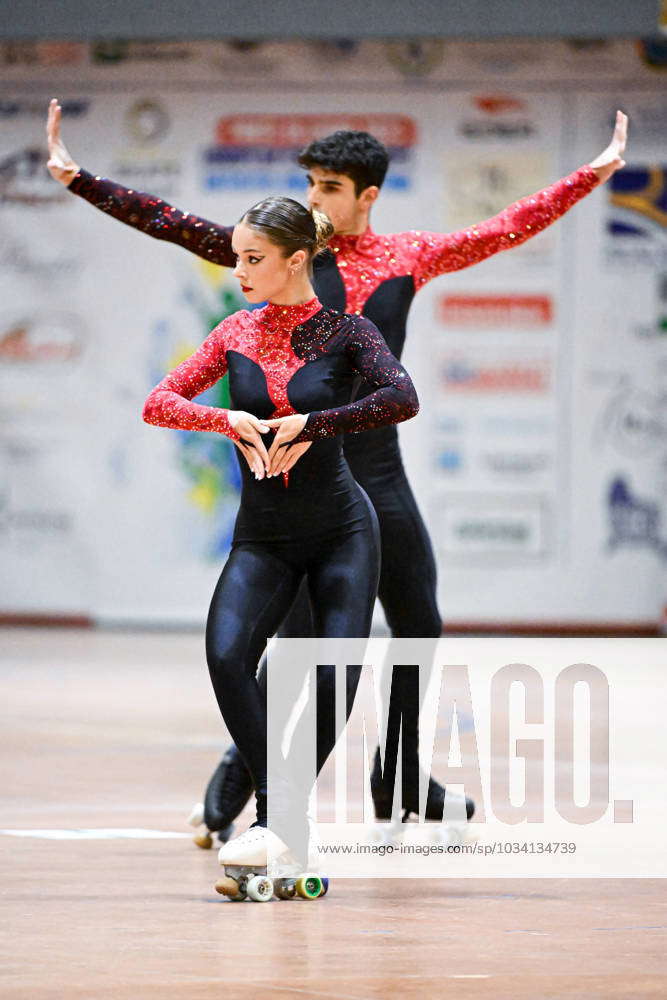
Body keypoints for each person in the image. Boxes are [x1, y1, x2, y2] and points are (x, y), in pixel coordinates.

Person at [46, 101, 628, 837]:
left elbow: (506, 225)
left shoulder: (406, 255)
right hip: (302, 484)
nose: (313, 199)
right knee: (292, 646)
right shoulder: (287, 255)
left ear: (366, 196)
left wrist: (592, 172)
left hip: (376, 474)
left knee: (418, 620)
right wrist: (76, 178)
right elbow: (175, 222)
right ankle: (240, 778)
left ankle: (403, 777)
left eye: (327, 187)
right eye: (311, 184)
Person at [141, 193, 419, 867]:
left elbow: (401, 398)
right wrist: (225, 420)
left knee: (331, 677)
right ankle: (279, 815)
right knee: (227, 656)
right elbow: (159, 401)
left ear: (296, 260)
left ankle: (273, 820)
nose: (238, 270)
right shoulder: (233, 331)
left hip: (342, 532)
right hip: (262, 534)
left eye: (253, 258)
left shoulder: (350, 333)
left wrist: (316, 423)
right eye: (237, 257)